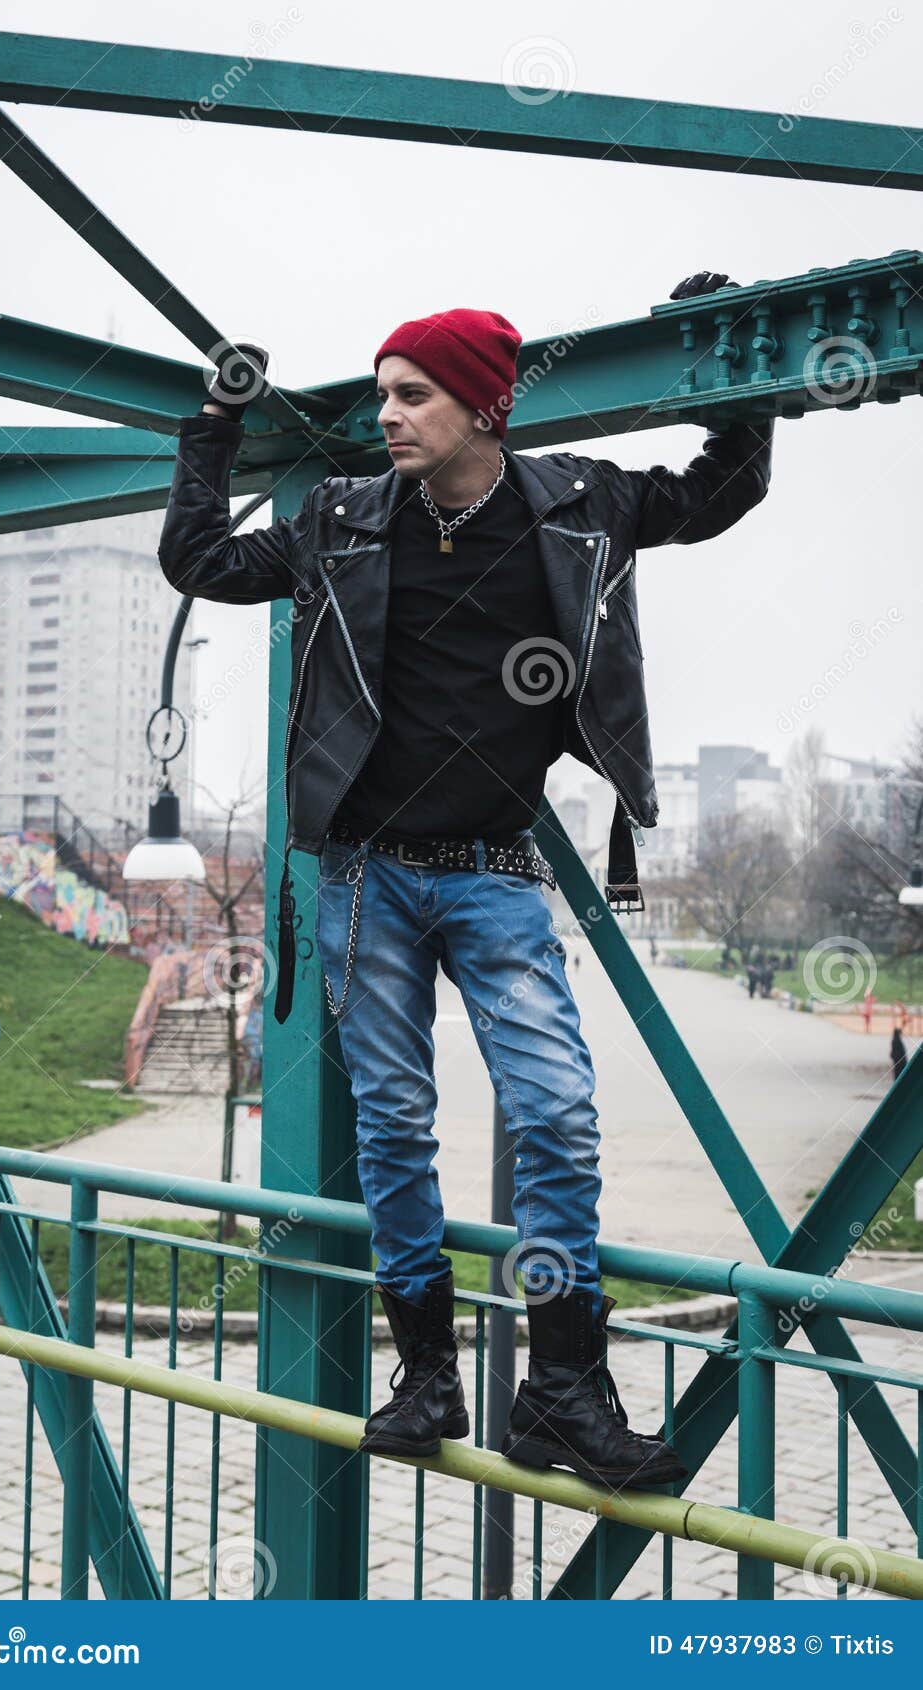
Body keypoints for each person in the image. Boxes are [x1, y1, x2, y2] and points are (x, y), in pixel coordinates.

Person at [158, 284, 773, 1491]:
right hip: (366, 878)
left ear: (484, 406)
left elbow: (720, 491)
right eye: (380, 392)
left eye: (409, 394)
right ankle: (426, 1376)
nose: (383, 414)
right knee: (392, 1125)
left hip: (494, 875)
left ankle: (557, 1390)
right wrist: (212, 425)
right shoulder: (339, 518)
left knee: (554, 1114)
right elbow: (201, 559)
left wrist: (739, 366)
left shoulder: (581, 504)